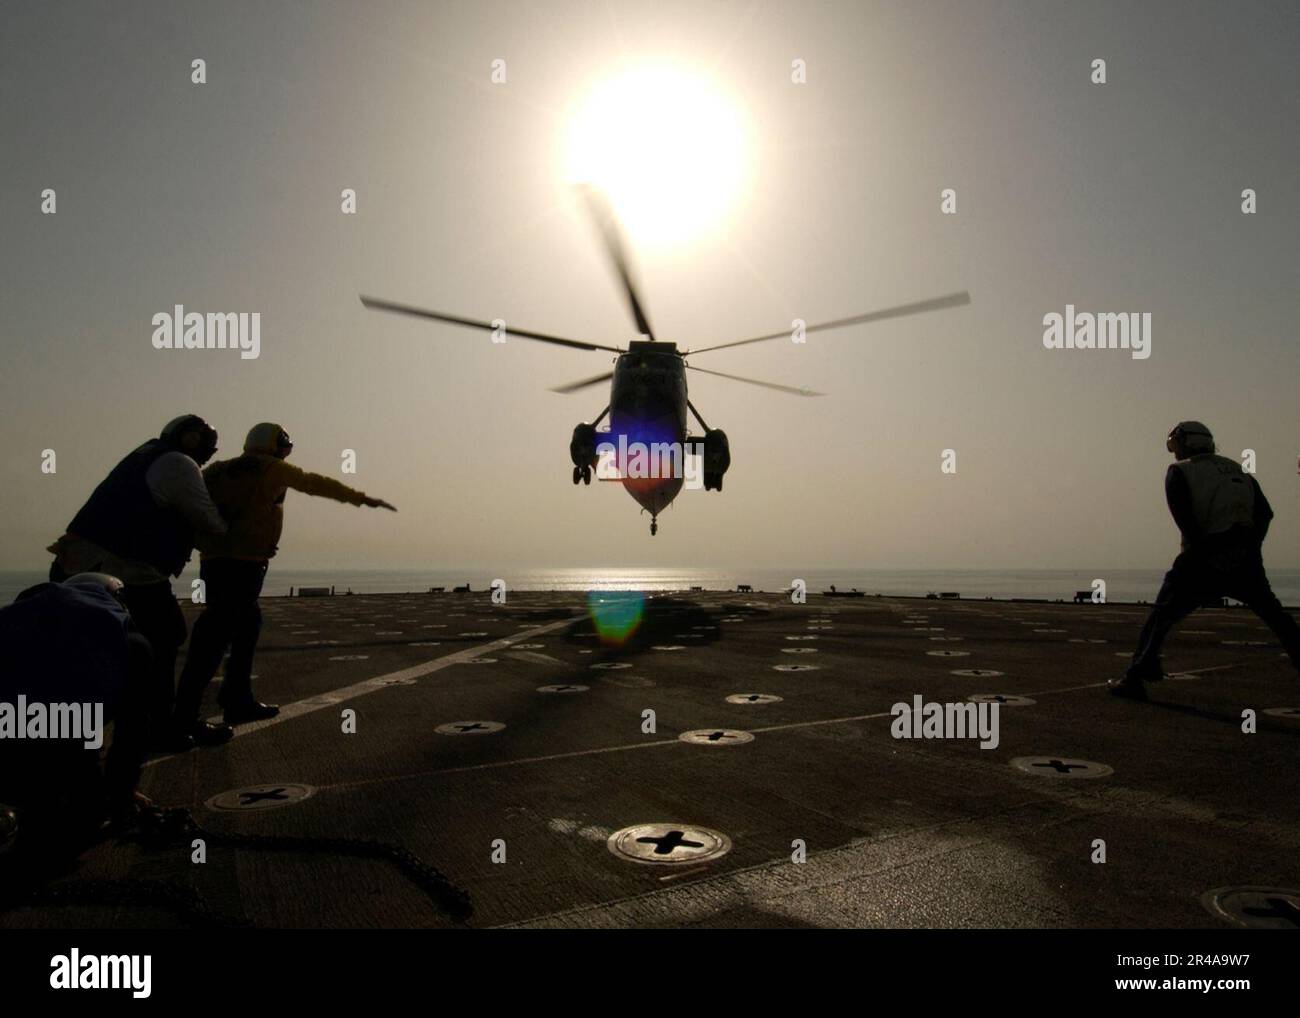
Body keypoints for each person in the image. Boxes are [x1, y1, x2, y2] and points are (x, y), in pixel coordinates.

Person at [172, 423, 396, 738]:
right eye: (284, 447)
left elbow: (190, 504)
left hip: (213, 563)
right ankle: (186, 716)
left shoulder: (218, 470)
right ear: (275, 445)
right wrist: (360, 498)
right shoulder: (272, 468)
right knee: (215, 636)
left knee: (244, 626)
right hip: (244, 565)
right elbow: (315, 484)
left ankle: (236, 698)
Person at [47, 415, 230, 750]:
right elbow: (209, 519)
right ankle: (156, 731)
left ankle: (72, 738)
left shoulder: (145, 455)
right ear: (192, 439)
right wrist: (233, 521)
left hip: (79, 564)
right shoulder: (178, 464)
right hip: (118, 570)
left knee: (93, 652)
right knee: (160, 639)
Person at [1110, 421, 1300, 699]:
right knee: (1277, 618)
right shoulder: (1239, 470)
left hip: (1202, 554)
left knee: (1162, 614)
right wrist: (1250, 547)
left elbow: (1185, 520)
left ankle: (1137, 675)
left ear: (1185, 442)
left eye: (1174, 443)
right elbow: (1265, 514)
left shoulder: (1180, 471)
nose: (1173, 450)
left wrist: (1202, 553)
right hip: (1245, 555)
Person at [0, 573, 153, 868]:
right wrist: (120, 796)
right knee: (72, 828)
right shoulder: (126, 639)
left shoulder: (17, 616)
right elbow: (131, 735)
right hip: (51, 735)